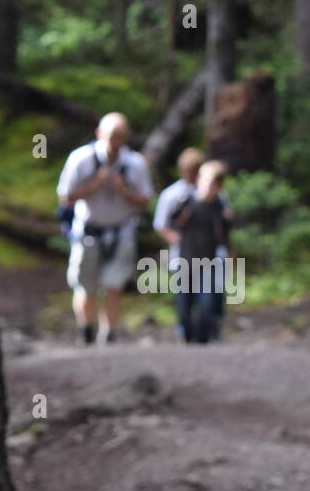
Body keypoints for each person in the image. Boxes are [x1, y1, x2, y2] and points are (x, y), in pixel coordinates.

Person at [56, 113, 152, 345]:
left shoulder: (135, 164)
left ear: (126, 137)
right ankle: (86, 328)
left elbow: (145, 201)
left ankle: (108, 334)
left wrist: (124, 191)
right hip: (88, 232)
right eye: (111, 136)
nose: (114, 142)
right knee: (85, 286)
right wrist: (94, 185)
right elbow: (65, 197)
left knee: (114, 285)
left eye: (119, 137)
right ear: (99, 134)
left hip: (122, 231)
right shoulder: (81, 159)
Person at [153, 148, 232, 340]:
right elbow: (164, 224)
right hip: (184, 256)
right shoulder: (176, 196)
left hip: (211, 256)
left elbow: (223, 228)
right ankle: (186, 332)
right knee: (185, 299)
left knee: (210, 297)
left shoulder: (218, 198)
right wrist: (179, 241)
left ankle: (207, 333)